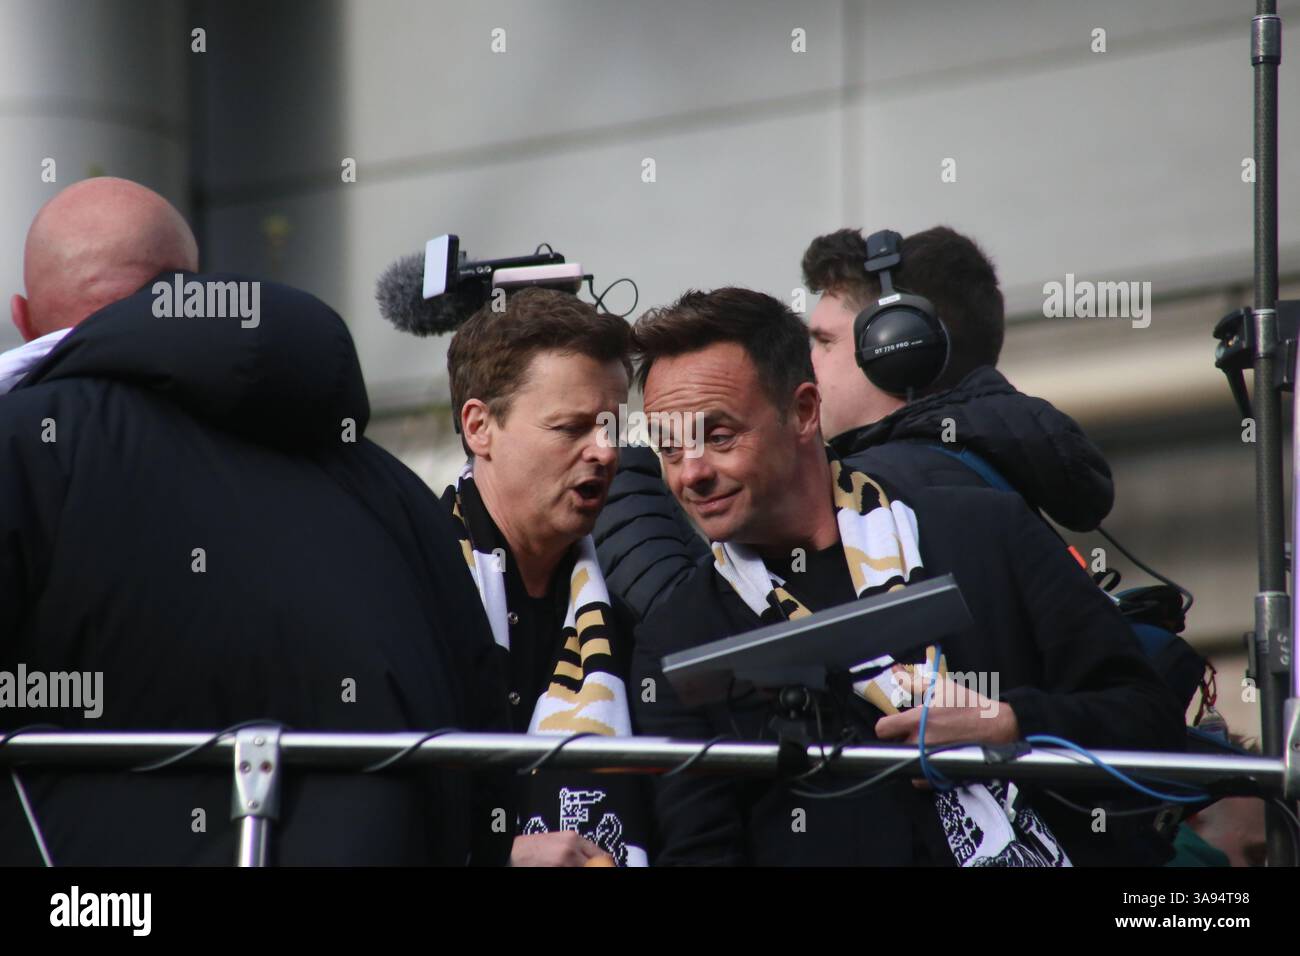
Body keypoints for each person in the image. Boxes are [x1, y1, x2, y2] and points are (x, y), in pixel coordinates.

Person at [0, 177, 510, 865]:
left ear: (23, 317)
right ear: (193, 292)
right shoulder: (392, 488)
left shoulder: (23, 447)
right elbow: (479, 733)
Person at [629, 287, 1186, 866]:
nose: (691, 473)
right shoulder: (678, 638)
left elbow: (1150, 721)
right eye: (669, 449)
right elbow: (700, 853)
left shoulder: (983, 532)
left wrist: (1012, 723)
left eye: (718, 437)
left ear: (802, 411)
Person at [442, 287, 651, 866]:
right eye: (570, 428)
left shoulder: (634, 599)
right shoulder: (408, 587)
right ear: (479, 427)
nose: (606, 453)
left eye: (612, 427)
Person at [803, 225, 1112, 532]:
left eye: (826, 341)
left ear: (898, 349)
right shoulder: (988, 471)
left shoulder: (892, 498)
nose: (807, 364)